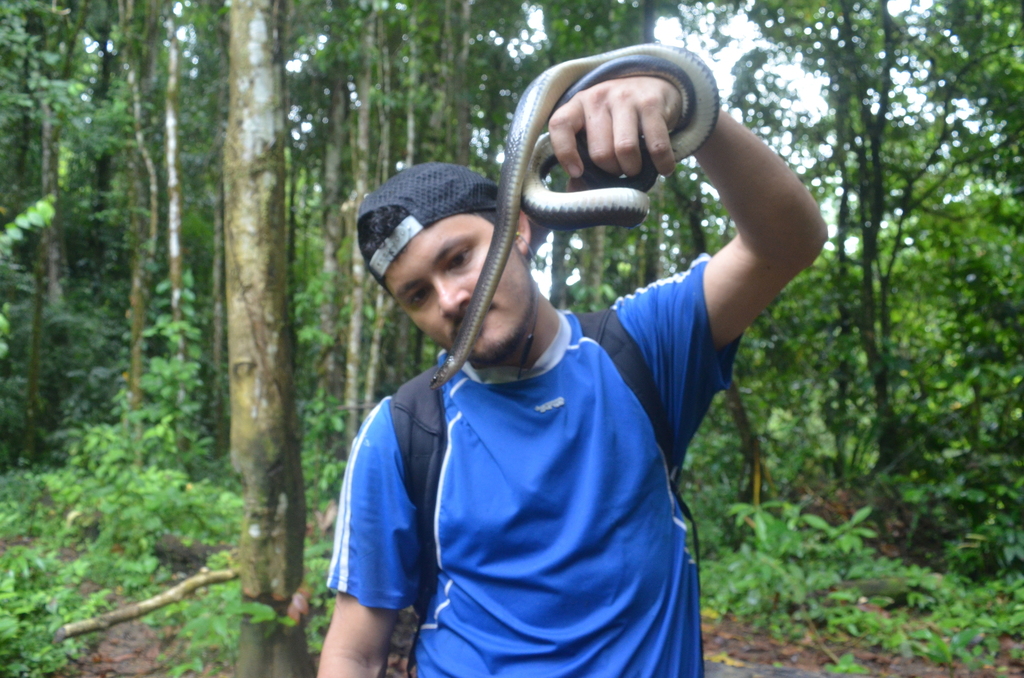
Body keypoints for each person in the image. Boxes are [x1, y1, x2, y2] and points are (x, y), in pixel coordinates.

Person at [317, 61, 827, 678]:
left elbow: (788, 242)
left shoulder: (643, 347)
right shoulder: (403, 431)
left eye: (458, 259)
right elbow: (354, 650)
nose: (450, 299)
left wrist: (688, 105)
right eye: (417, 295)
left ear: (520, 228)